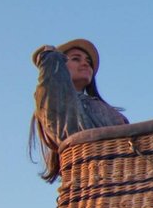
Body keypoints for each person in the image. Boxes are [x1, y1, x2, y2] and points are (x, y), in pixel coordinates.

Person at [30, 38, 128, 182]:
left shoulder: (106, 109)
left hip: (121, 177)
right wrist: (51, 60)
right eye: (76, 59)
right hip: (92, 178)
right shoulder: (53, 101)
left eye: (88, 62)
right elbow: (72, 128)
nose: (85, 64)